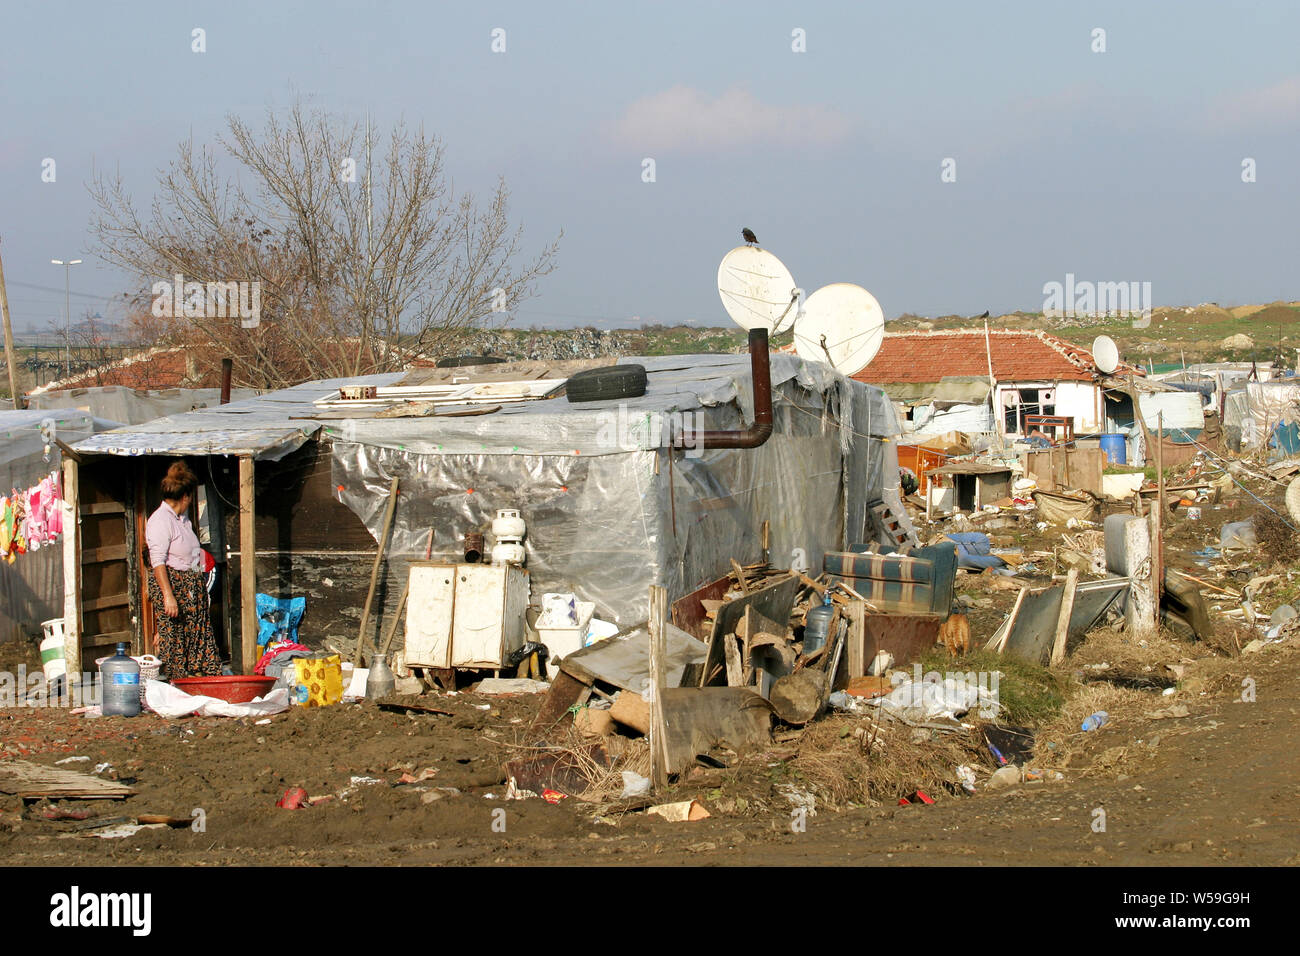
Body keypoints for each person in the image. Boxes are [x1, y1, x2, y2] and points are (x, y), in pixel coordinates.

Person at [146, 460, 222, 678]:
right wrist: (168, 597)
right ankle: (178, 682)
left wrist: (200, 583)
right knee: (175, 637)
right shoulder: (160, 521)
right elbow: (158, 561)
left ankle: (201, 678)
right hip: (172, 583)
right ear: (186, 496)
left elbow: (192, 552)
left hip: (190, 582)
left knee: (198, 632)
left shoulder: (183, 520)